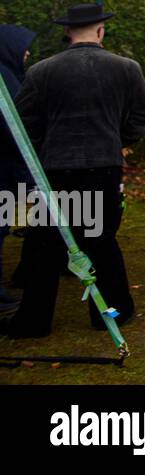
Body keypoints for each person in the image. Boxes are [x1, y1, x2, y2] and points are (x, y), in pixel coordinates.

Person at [2, 4, 145, 338]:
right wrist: (120, 140)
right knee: (101, 243)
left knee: (47, 246)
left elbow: (23, 121)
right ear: (100, 31)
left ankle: (33, 321)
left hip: (56, 171)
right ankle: (112, 314)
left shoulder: (42, 71)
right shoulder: (125, 68)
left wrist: (47, 145)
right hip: (103, 169)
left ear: (67, 32)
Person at [0, 25, 36, 314]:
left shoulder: (10, 76)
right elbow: (14, 128)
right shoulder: (5, 80)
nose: (28, 53)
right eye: (24, 47)